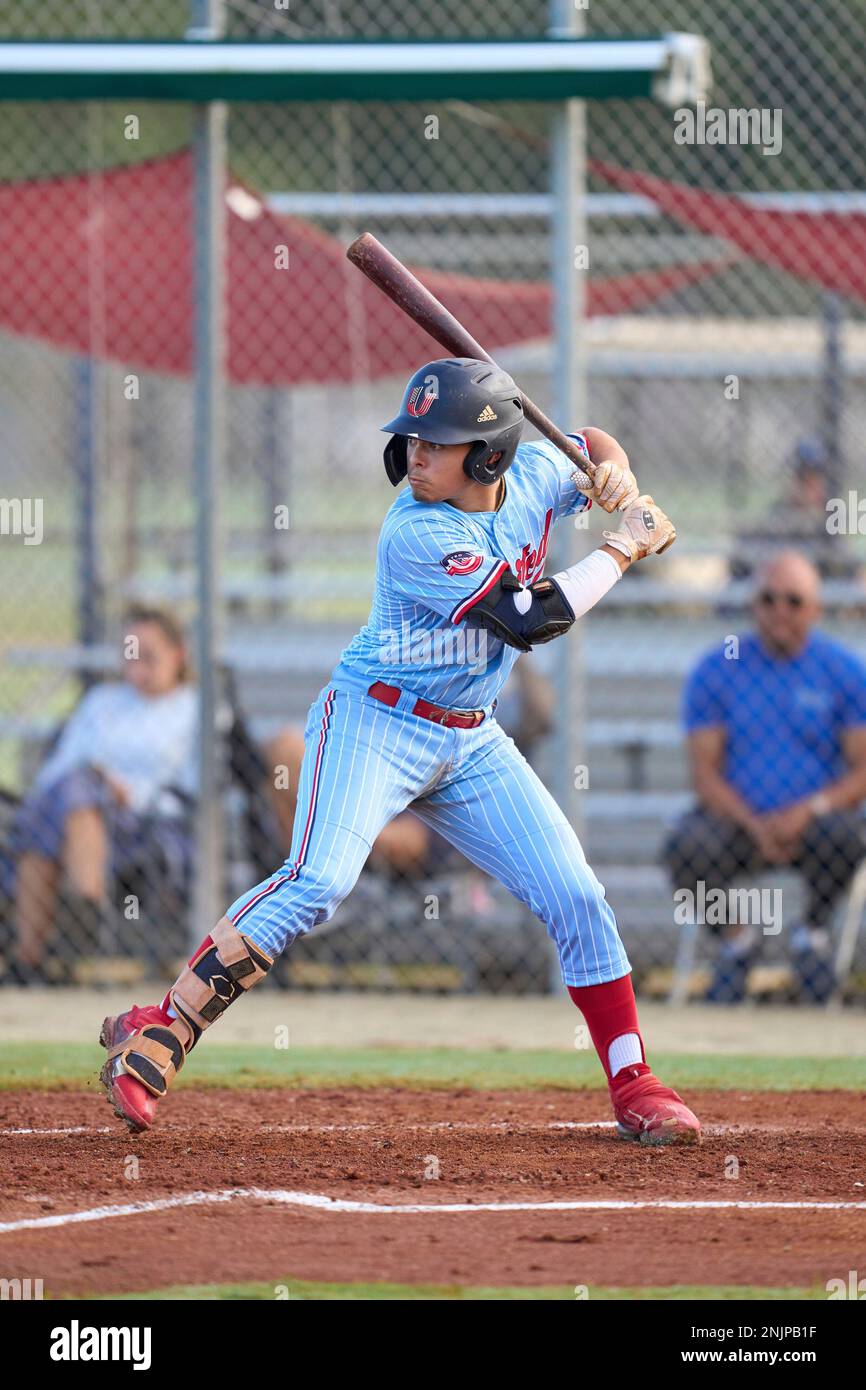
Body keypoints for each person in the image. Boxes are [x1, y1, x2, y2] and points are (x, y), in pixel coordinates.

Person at [99, 357, 701, 1147]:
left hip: (469, 734)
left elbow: (586, 438)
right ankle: (165, 1025)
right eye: (413, 438)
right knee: (318, 883)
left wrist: (611, 469)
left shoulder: (535, 472)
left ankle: (634, 1081)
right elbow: (526, 617)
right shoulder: (417, 529)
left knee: (577, 895)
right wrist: (622, 546)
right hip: (374, 723)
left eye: (437, 442)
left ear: (490, 456)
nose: (416, 454)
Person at [664, 550, 866, 1003]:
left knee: (848, 835)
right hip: (740, 824)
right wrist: (753, 823)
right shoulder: (718, 669)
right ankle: (738, 943)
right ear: (753, 604)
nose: (779, 611)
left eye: (793, 601)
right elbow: (705, 775)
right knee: (687, 846)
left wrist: (807, 811)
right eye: (768, 599)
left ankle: (810, 935)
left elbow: (862, 772)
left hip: (816, 827)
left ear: (815, 609)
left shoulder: (845, 671)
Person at [7, 606, 197, 982]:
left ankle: (42, 947)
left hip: (149, 823)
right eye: (130, 654)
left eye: (149, 656)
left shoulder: (194, 709)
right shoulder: (102, 702)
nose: (137, 667)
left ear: (178, 654)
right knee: (76, 787)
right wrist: (100, 780)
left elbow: (196, 789)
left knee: (63, 805)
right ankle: (82, 903)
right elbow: (54, 774)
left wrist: (130, 792)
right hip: (77, 815)